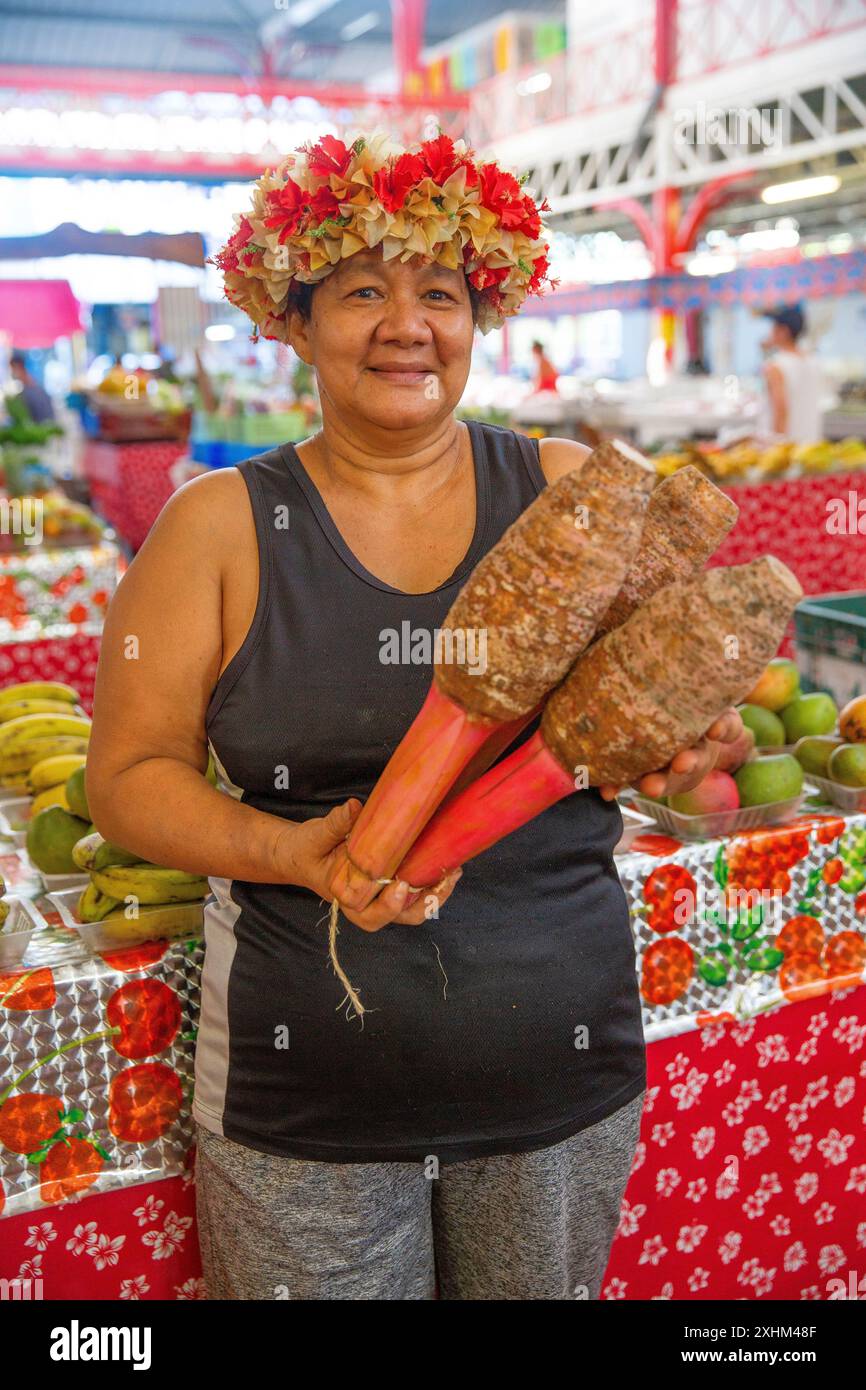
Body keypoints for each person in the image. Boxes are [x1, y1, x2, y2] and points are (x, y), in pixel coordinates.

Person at [86, 132, 743, 1301]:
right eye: (360, 291)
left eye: (438, 291)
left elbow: (638, 744)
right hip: (305, 1099)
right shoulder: (218, 526)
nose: (406, 325)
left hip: (554, 1072)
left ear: (478, 313)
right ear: (291, 318)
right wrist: (290, 850)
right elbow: (128, 777)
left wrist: (686, 744)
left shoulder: (563, 490)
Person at [760, 305, 822, 443]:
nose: (770, 332)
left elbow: (781, 411)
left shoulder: (776, 366)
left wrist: (775, 448)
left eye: (774, 327)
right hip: (810, 444)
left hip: (787, 449)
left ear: (784, 331)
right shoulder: (813, 361)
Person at [8, 351, 55, 423]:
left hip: (41, 426)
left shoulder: (32, 390)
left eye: (12, 369)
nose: (12, 372)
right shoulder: (28, 386)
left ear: (18, 366)